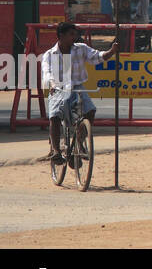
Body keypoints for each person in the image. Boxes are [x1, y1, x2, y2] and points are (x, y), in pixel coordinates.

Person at [43, 22, 119, 163]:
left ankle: (79, 143)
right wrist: (52, 84)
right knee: (55, 116)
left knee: (90, 110)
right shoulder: (50, 54)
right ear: (61, 35)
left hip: (77, 86)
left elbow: (98, 57)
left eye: (75, 34)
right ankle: (56, 151)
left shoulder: (81, 49)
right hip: (59, 87)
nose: (75, 37)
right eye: (71, 34)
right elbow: (47, 73)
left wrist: (112, 51)